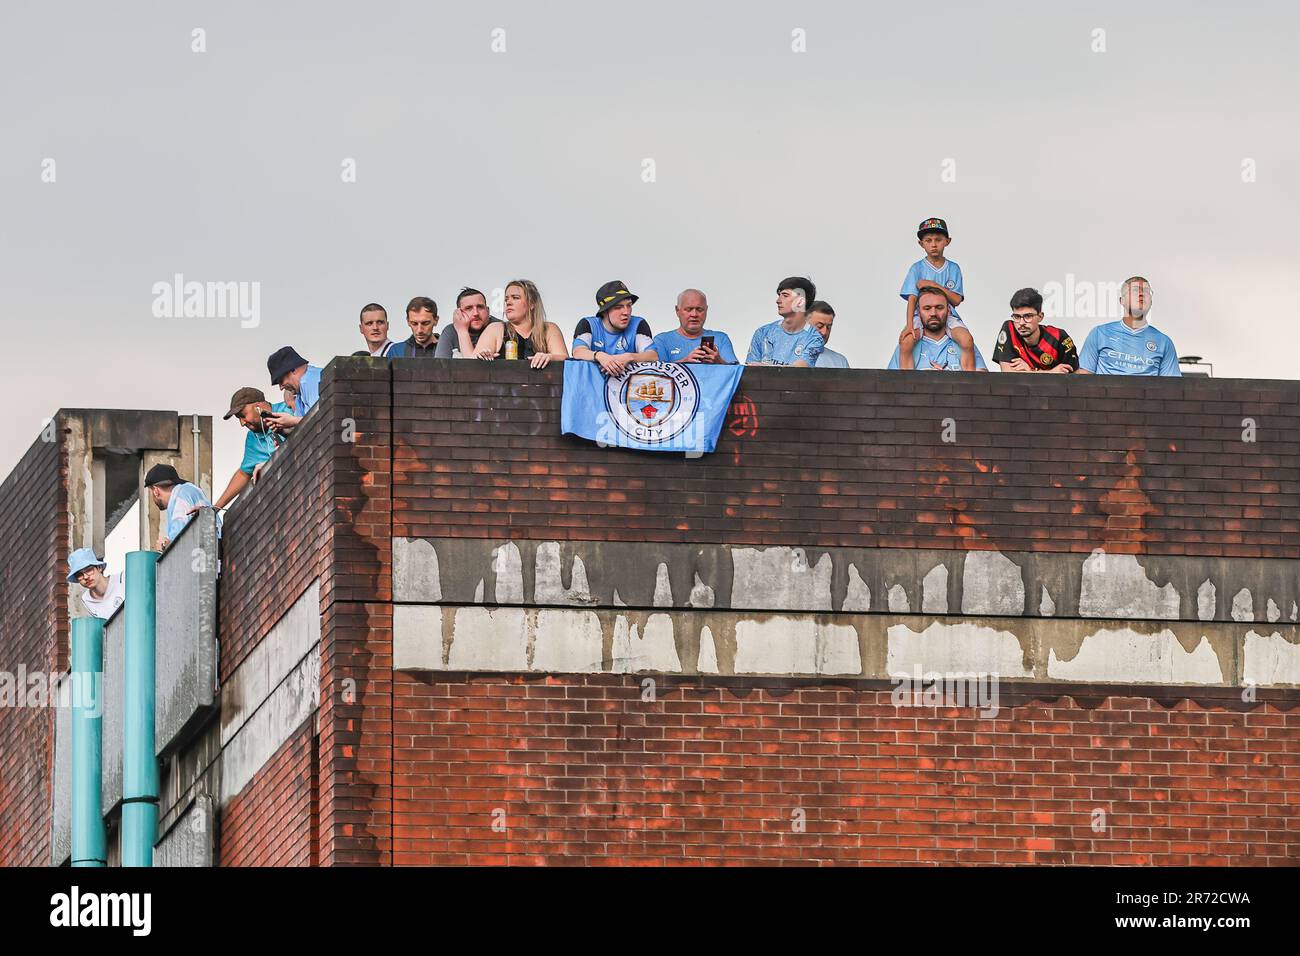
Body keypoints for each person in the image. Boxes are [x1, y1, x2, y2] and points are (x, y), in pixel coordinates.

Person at [900, 217, 976, 371]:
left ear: (947, 241)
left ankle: (971, 382)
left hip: (947, 315)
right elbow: (912, 299)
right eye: (928, 240)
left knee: (967, 340)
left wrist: (932, 284)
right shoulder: (917, 268)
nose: (933, 244)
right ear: (921, 244)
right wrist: (909, 325)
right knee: (906, 342)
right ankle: (906, 381)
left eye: (938, 240)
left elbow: (955, 300)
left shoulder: (953, 268)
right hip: (921, 316)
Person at [1078, 277, 1181, 376]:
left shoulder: (1164, 342)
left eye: (1146, 291)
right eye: (1135, 290)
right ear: (1122, 300)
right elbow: (1083, 379)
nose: (1141, 294)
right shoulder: (1099, 333)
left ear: (1151, 301)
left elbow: (1171, 388)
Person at [213, 387, 288, 511]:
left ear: (258, 406)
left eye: (243, 415)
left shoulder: (287, 410)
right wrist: (215, 508)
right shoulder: (252, 438)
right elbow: (244, 473)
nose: (242, 423)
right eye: (239, 419)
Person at [473, 279, 568, 369]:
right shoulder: (495, 328)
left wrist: (550, 357)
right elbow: (470, 363)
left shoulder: (549, 329)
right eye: (506, 299)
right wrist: (483, 356)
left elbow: (565, 359)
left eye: (515, 298)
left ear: (532, 303)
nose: (508, 302)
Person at [887, 288, 989, 371]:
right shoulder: (909, 344)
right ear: (918, 312)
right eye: (927, 308)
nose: (933, 313)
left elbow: (983, 382)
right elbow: (891, 386)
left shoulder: (962, 343)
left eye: (939, 307)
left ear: (948, 310)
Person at [571, 280, 657, 376]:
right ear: (604, 311)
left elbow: (652, 355)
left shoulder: (638, 323)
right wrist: (600, 356)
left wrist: (629, 357)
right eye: (618, 307)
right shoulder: (588, 324)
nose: (626, 312)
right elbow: (578, 352)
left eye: (629, 305)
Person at [992, 288, 1080, 373]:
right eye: (1017, 317)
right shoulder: (1009, 328)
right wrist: (1048, 372)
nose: (1021, 322)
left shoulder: (1059, 337)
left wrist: (1030, 370)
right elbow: (1008, 374)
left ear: (1040, 317)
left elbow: (1073, 379)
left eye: (1028, 316)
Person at [746, 276, 824, 367]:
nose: (778, 301)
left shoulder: (814, 339)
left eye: (785, 295)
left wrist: (764, 367)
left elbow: (798, 370)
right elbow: (751, 369)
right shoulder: (763, 332)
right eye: (779, 295)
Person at [650, 289, 738, 364]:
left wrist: (720, 361)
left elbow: (737, 373)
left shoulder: (721, 338)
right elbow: (657, 374)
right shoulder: (662, 340)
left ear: (706, 310)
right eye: (688, 309)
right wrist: (685, 362)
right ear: (677, 311)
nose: (694, 314)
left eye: (699, 309)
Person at [145, 463, 218, 551]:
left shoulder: (180, 495)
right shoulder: (191, 490)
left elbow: (177, 537)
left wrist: (164, 544)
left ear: (156, 491)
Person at [262, 347, 321, 435]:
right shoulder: (299, 395)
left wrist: (293, 421)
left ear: (293, 369)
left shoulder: (309, 380)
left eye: (281, 380)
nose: (281, 388)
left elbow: (322, 416)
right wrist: (281, 430)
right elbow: (304, 429)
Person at [435, 287, 503, 358]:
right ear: (458, 313)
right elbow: (439, 366)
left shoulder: (500, 328)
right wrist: (462, 331)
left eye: (480, 307)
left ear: (488, 310)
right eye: (469, 308)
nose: (476, 313)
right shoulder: (450, 331)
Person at [67, 548, 124, 620]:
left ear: (99, 568)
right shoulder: (86, 599)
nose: (85, 577)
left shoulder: (121, 580)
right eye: (79, 575)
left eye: (89, 570)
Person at [808, 301, 849, 368]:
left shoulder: (840, 362)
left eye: (829, 327)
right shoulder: (787, 356)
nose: (824, 332)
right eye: (820, 326)